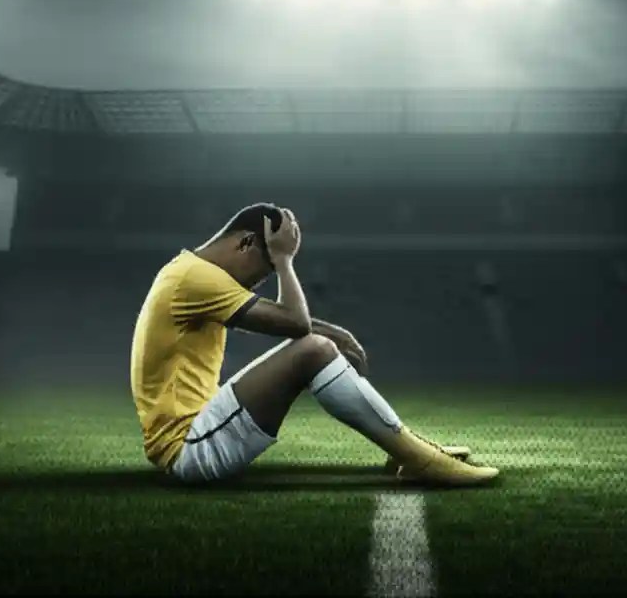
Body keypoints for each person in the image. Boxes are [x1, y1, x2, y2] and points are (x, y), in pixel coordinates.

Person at [130, 202, 499, 486]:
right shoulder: (195, 278)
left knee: (317, 345)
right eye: (265, 270)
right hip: (189, 449)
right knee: (313, 351)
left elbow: (288, 322)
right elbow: (295, 322)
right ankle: (420, 460)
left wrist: (335, 334)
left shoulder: (189, 273)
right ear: (245, 243)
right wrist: (285, 260)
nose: (260, 283)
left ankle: (409, 450)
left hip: (197, 433)